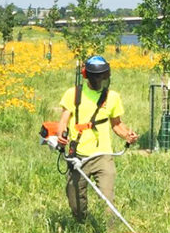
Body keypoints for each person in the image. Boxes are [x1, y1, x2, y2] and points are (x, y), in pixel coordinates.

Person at [56, 55, 138, 223]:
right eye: (96, 77)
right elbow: (63, 121)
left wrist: (127, 135)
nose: (99, 80)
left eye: (102, 77)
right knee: (75, 202)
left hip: (103, 155)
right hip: (78, 155)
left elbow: (116, 124)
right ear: (86, 75)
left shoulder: (112, 97)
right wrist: (61, 135)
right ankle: (82, 226)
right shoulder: (73, 94)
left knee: (108, 201)